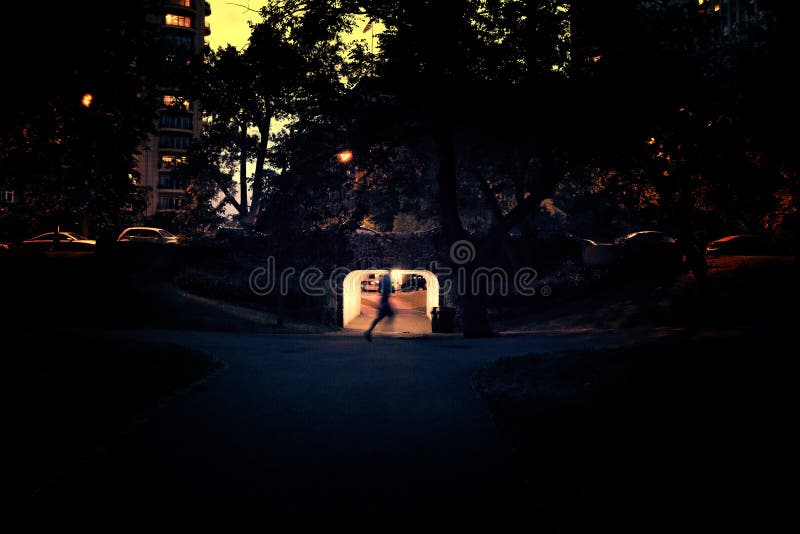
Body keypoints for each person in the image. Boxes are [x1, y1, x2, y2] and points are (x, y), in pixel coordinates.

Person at [364, 270, 394, 342]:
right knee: (384, 316)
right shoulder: (388, 279)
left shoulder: (382, 279)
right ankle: (371, 332)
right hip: (385, 302)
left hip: (383, 301)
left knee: (382, 317)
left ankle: (371, 331)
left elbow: (379, 289)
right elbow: (389, 289)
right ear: (389, 273)